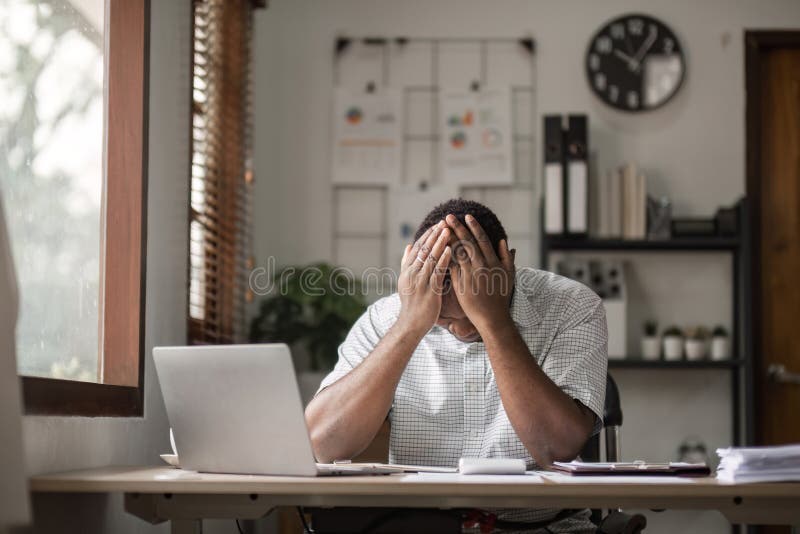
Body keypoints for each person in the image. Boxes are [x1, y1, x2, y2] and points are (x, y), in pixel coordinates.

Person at [305, 198, 607, 533]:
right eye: (446, 320)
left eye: (471, 316)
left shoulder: (572, 306)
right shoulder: (385, 319)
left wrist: (493, 321)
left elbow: (558, 448)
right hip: (420, 527)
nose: (463, 330)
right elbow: (323, 445)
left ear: (508, 265)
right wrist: (410, 324)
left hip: (543, 528)